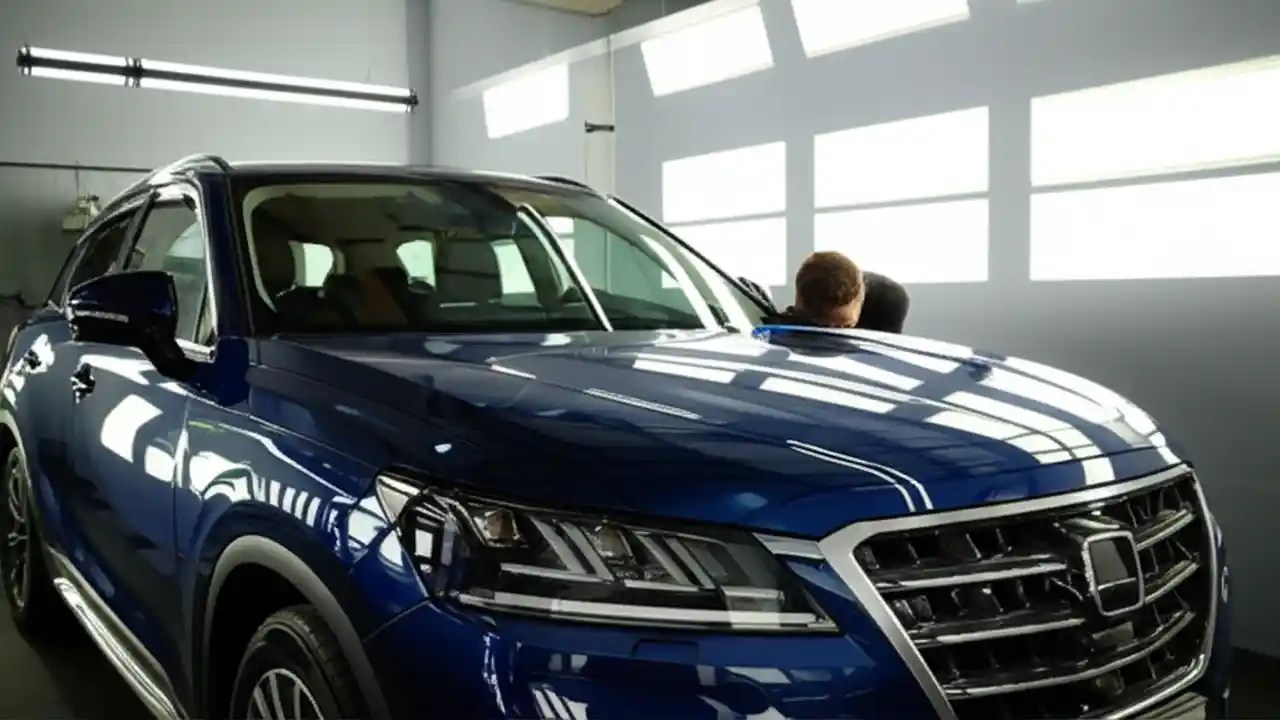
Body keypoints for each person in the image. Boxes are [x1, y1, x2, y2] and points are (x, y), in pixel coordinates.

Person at [767, 251, 909, 333]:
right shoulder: (783, 323)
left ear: (862, 296)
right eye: (823, 325)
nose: (834, 333)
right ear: (799, 301)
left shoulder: (889, 301)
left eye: (845, 326)